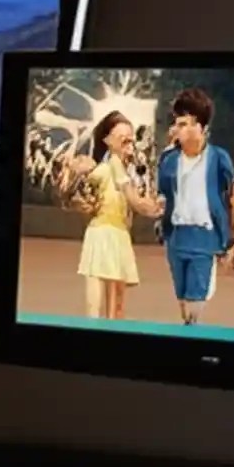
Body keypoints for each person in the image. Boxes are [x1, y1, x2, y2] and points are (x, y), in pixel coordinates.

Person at [156, 88, 234, 325]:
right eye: (177, 123)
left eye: (185, 124)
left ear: (201, 128)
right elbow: (161, 193)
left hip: (205, 235)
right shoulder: (169, 159)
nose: (178, 129)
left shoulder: (219, 158)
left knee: (196, 298)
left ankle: (192, 335)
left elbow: (232, 197)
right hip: (177, 235)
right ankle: (189, 330)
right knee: (182, 297)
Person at [75, 111, 163, 319]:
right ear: (107, 140)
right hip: (104, 234)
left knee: (115, 307)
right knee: (99, 308)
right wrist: (152, 209)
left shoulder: (125, 169)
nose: (129, 144)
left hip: (118, 234)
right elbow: (133, 200)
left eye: (130, 139)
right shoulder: (112, 165)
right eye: (123, 139)